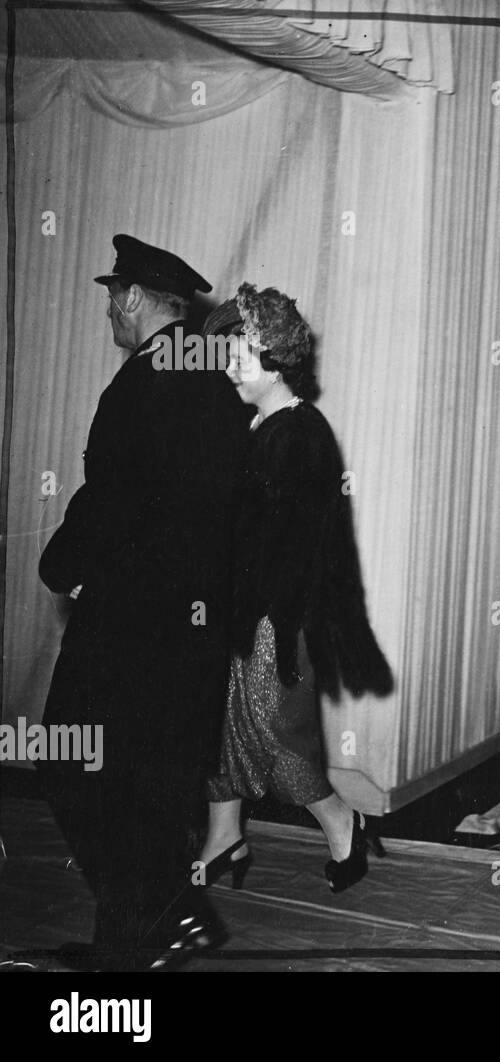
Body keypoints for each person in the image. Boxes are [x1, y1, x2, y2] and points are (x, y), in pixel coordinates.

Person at [38, 235, 247, 970]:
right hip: (195, 622)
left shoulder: (139, 382)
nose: (109, 314)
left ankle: (169, 913)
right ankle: (130, 945)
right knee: (148, 786)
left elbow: (112, 500)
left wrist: (59, 564)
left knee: (71, 760)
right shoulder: (216, 376)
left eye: (110, 298)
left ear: (130, 298)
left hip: (131, 620)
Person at [194, 284, 393, 896]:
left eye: (243, 355)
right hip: (238, 614)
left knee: (277, 735)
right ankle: (224, 835)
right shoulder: (257, 425)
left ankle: (343, 821)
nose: (230, 366)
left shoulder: (300, 433)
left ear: (276, 359)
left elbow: (302, 551)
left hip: (275, 623)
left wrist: (274, 629)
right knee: (221, 728)